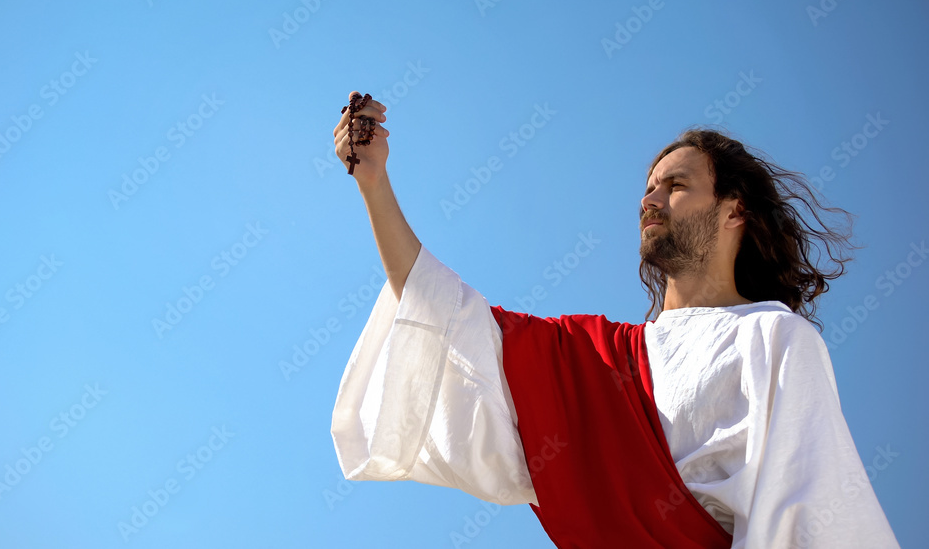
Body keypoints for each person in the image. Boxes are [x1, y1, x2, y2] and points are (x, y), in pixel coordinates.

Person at [328, 91, 899, 548]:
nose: (650, 200)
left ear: (735, 211)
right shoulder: (594, 357)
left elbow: (815, 521)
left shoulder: (774, 339)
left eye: (676, 186)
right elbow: (449, 322)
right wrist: (373, 182)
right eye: (648, 189)